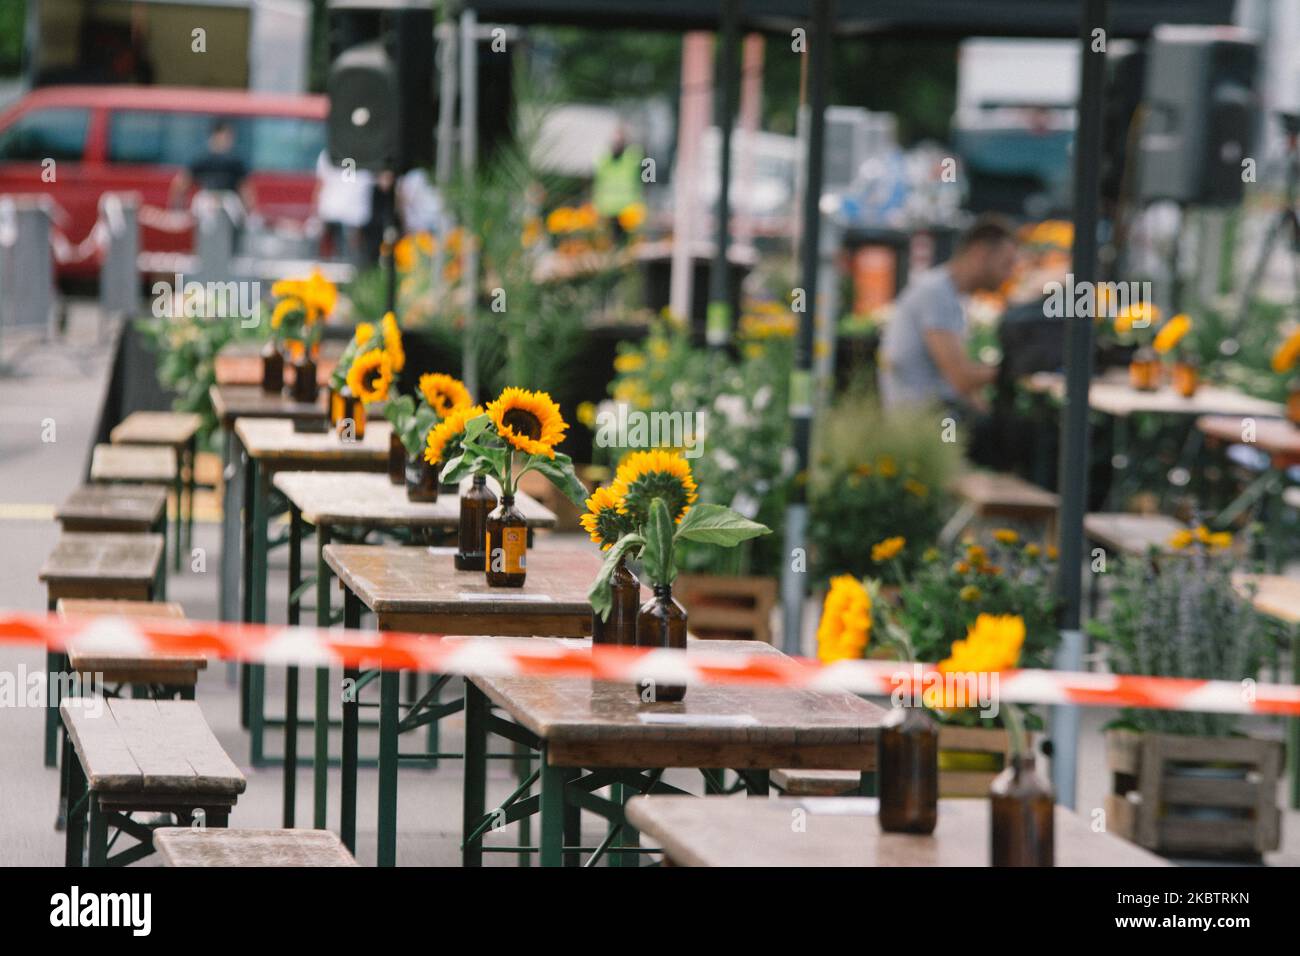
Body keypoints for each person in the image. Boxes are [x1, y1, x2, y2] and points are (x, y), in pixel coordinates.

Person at [878, 215, 1019, 415]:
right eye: (1006, 264)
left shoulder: (953, 294)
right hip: (923, 425)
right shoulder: (936, 293)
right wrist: (1017, 368)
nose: (1010, 274)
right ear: (980, 253)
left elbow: (957, 383)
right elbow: (961, 378)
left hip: (938, 415)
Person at [168, 120, 255, 212]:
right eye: (223, 136)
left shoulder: (236, 163)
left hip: (230, 202)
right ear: (213, 136)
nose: (224, 140)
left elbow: (245, 188)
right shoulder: (201, 160)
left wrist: (249, 213)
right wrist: (177, 210)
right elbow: (181, 183)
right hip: (206, 200)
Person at [315, 150, 374, 267]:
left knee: (331, 258)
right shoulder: (369, 152)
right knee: (350, 258)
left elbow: (320, 184)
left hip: (334, 210)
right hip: (350, 213)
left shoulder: (328, 152)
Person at [592, 125, 644, 240]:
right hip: (607, 208)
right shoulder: (605, 159)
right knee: (610, 241)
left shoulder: (632, 157)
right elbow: (598, 182)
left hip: (627, 208)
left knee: (626, 241)